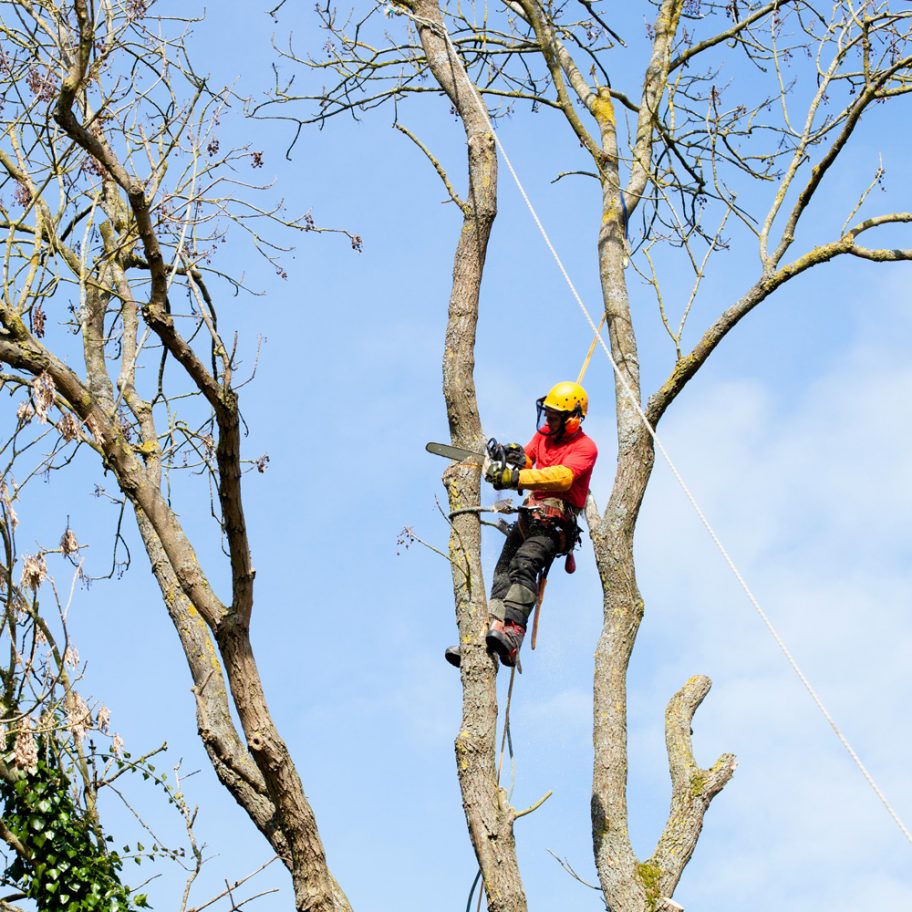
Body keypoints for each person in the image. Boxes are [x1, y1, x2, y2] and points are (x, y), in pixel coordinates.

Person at [445, 381, 598, 669]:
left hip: (555, 525)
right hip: (529, 518)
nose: (548, 420)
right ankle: (487, 634)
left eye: (554, 416)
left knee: (524, 564)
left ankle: (514, 633)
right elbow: (528, 460)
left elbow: (561, 477)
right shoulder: (544, 436)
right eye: (547, 414)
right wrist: (512, 458)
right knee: (503, 572)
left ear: (572, 420)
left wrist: (515, 479)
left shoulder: (586, 447)